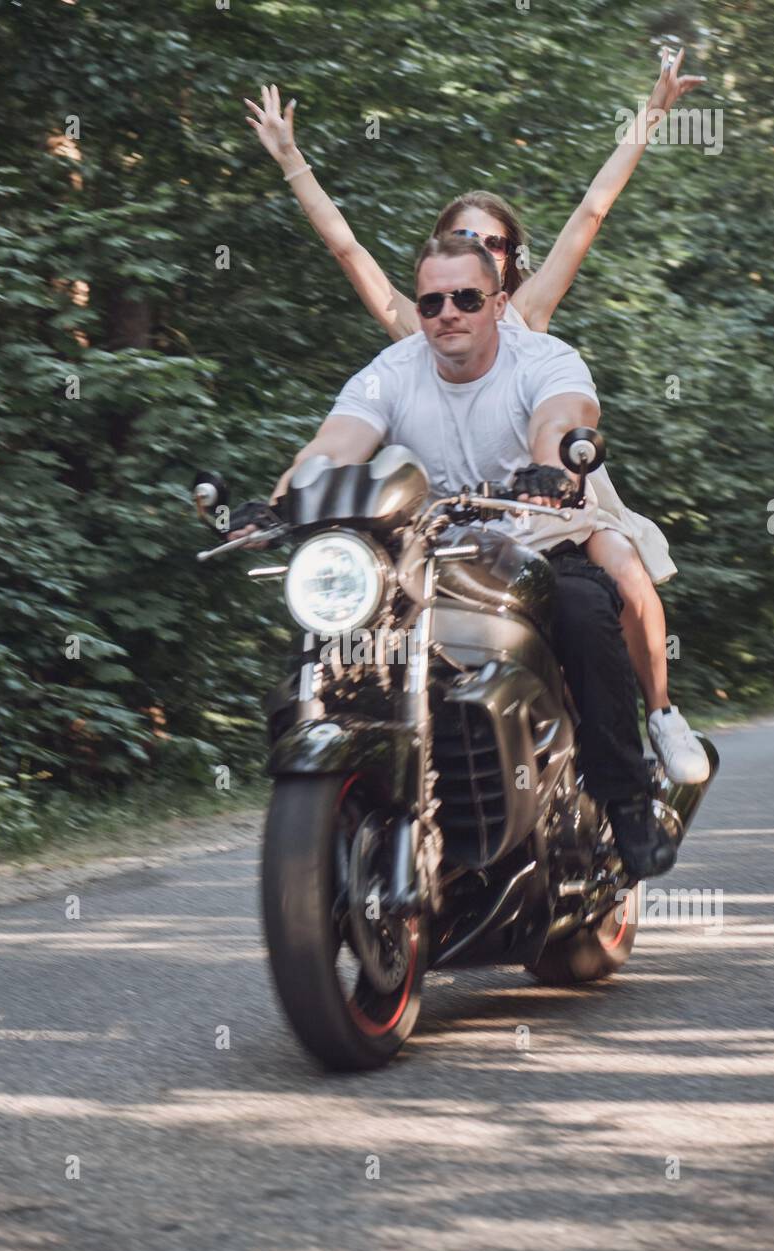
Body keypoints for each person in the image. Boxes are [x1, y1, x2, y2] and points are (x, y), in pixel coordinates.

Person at [243, 48, 709, 784]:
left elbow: (592, 209)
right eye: (461, 242)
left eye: (490, 245)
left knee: (622, 580)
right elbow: (345, 248)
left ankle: (660, 714)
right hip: (454, 508)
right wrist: (292, 158)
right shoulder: (417, 330)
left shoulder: (527, 316)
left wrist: (652, 114)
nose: (470, 266)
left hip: (549, 485)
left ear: (505, 267)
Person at [238, 235, 678, 879]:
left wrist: (546, 465)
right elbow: (332, 444)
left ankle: (626, 802)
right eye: (431, 301)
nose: (447, 312)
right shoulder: (392, 372)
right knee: (338, 625)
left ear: (499, 303)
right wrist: (280, 501)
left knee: (585, 612)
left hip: (539, 547)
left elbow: (561, 417)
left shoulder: (543, 359)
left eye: (467, 298)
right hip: (428, 559)